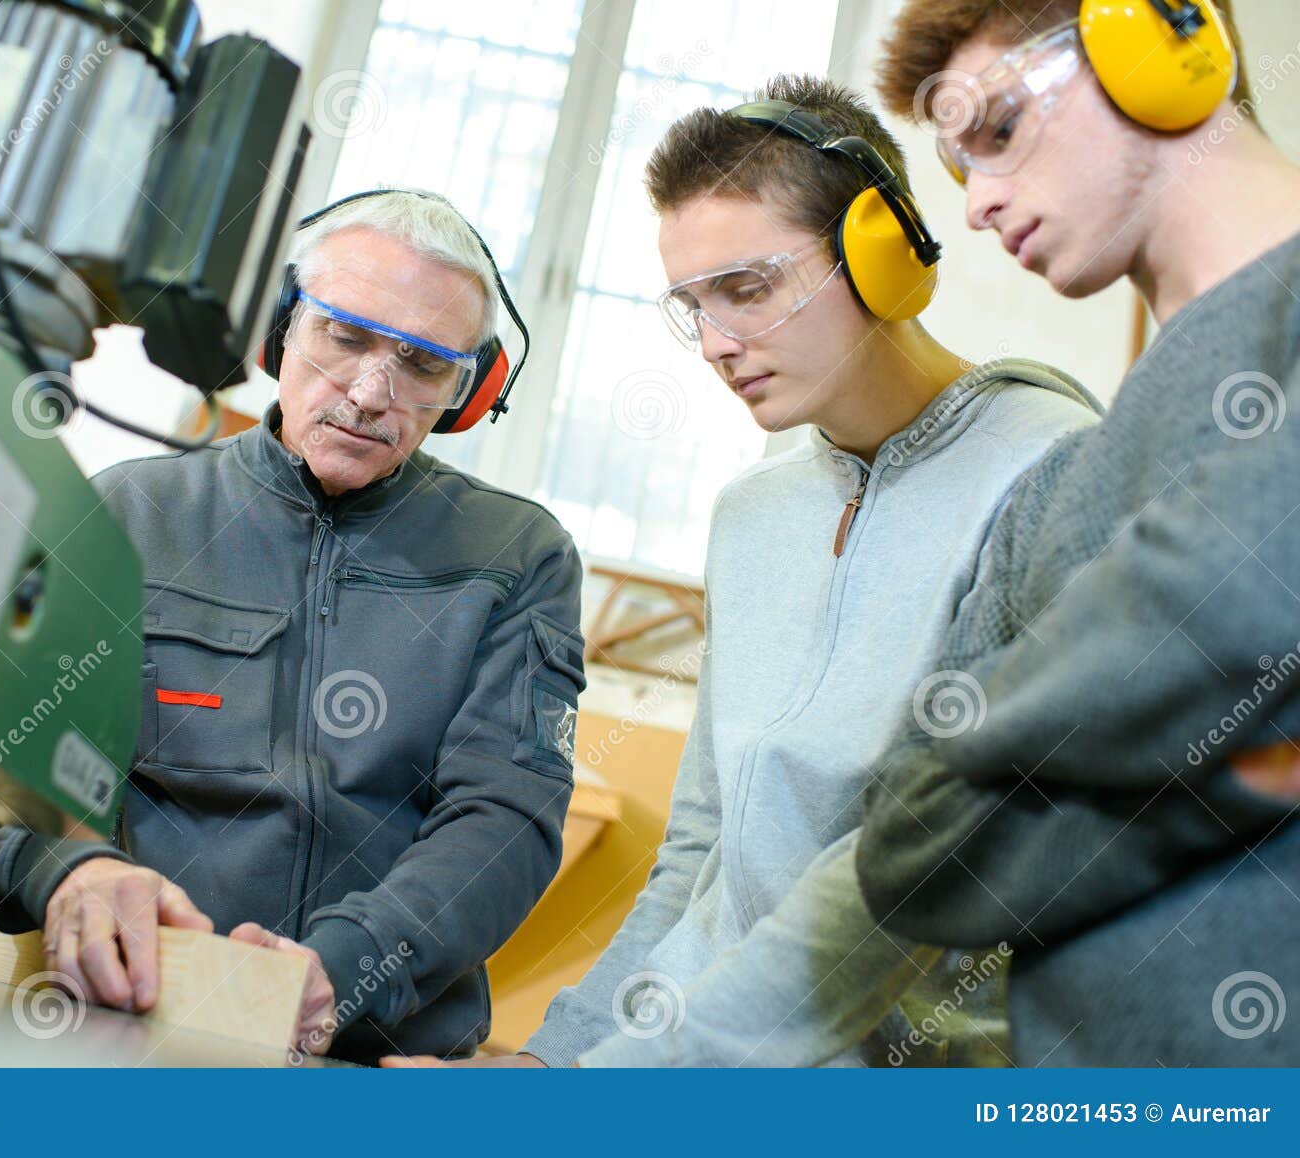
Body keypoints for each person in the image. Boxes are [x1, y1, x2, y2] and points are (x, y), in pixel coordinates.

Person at [390, 76, 1098, 1068]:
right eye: (693, 307)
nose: (719, 344)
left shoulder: (1054, 470)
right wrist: (558, 1059)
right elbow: (699, 860)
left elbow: (922, 880)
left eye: (749, 288)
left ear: (882, 253)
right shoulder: (752, 515)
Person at [0, 190, 588, 1064]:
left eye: (423, 364)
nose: (368, 393)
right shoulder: (128, 514)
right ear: (278, 332)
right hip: (119, 1043)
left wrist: (344, 972)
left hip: (371, 1060)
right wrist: (71, 875)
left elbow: (503, 820)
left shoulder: (519, 555)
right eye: (344, 337)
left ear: (469, 396)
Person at [858, 0, 1300, 1064]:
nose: (974, 206)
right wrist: (1233, 778)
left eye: (999, 129)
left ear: (1162, 41)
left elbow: (1234, 592)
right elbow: (904, 846)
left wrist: (1037, 755)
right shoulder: (1052, 490)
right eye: (957, 170)